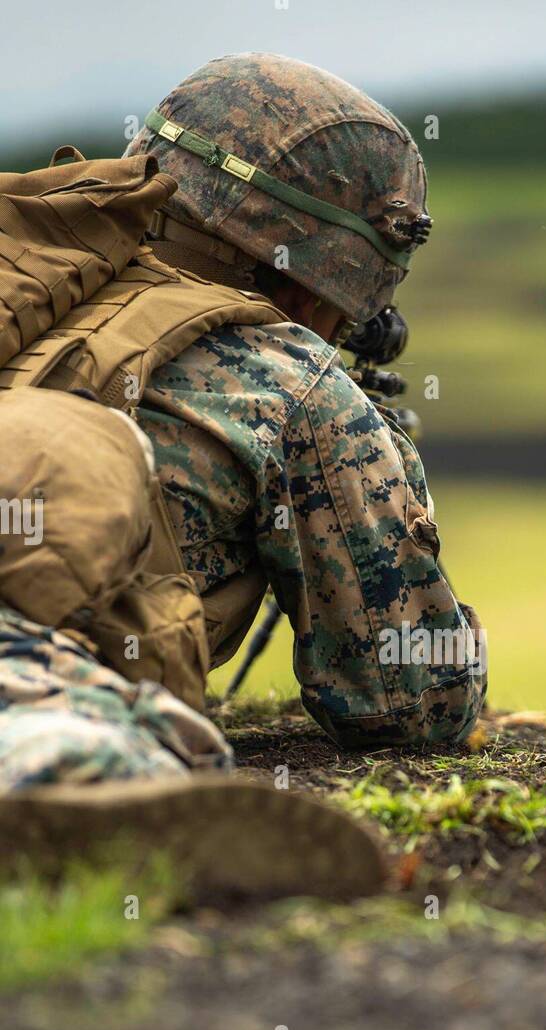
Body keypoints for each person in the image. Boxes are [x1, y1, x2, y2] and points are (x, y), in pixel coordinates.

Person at [123, 53, 486, 749]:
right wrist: (377, 466)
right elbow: (414, 702)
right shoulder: (292, 390)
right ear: (307, 284)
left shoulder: (33, 284)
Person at [0, 388, 384, 900]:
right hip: (42, 685)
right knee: (66, 729)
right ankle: (58, 773)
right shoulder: (77, 439)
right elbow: (403, 698)